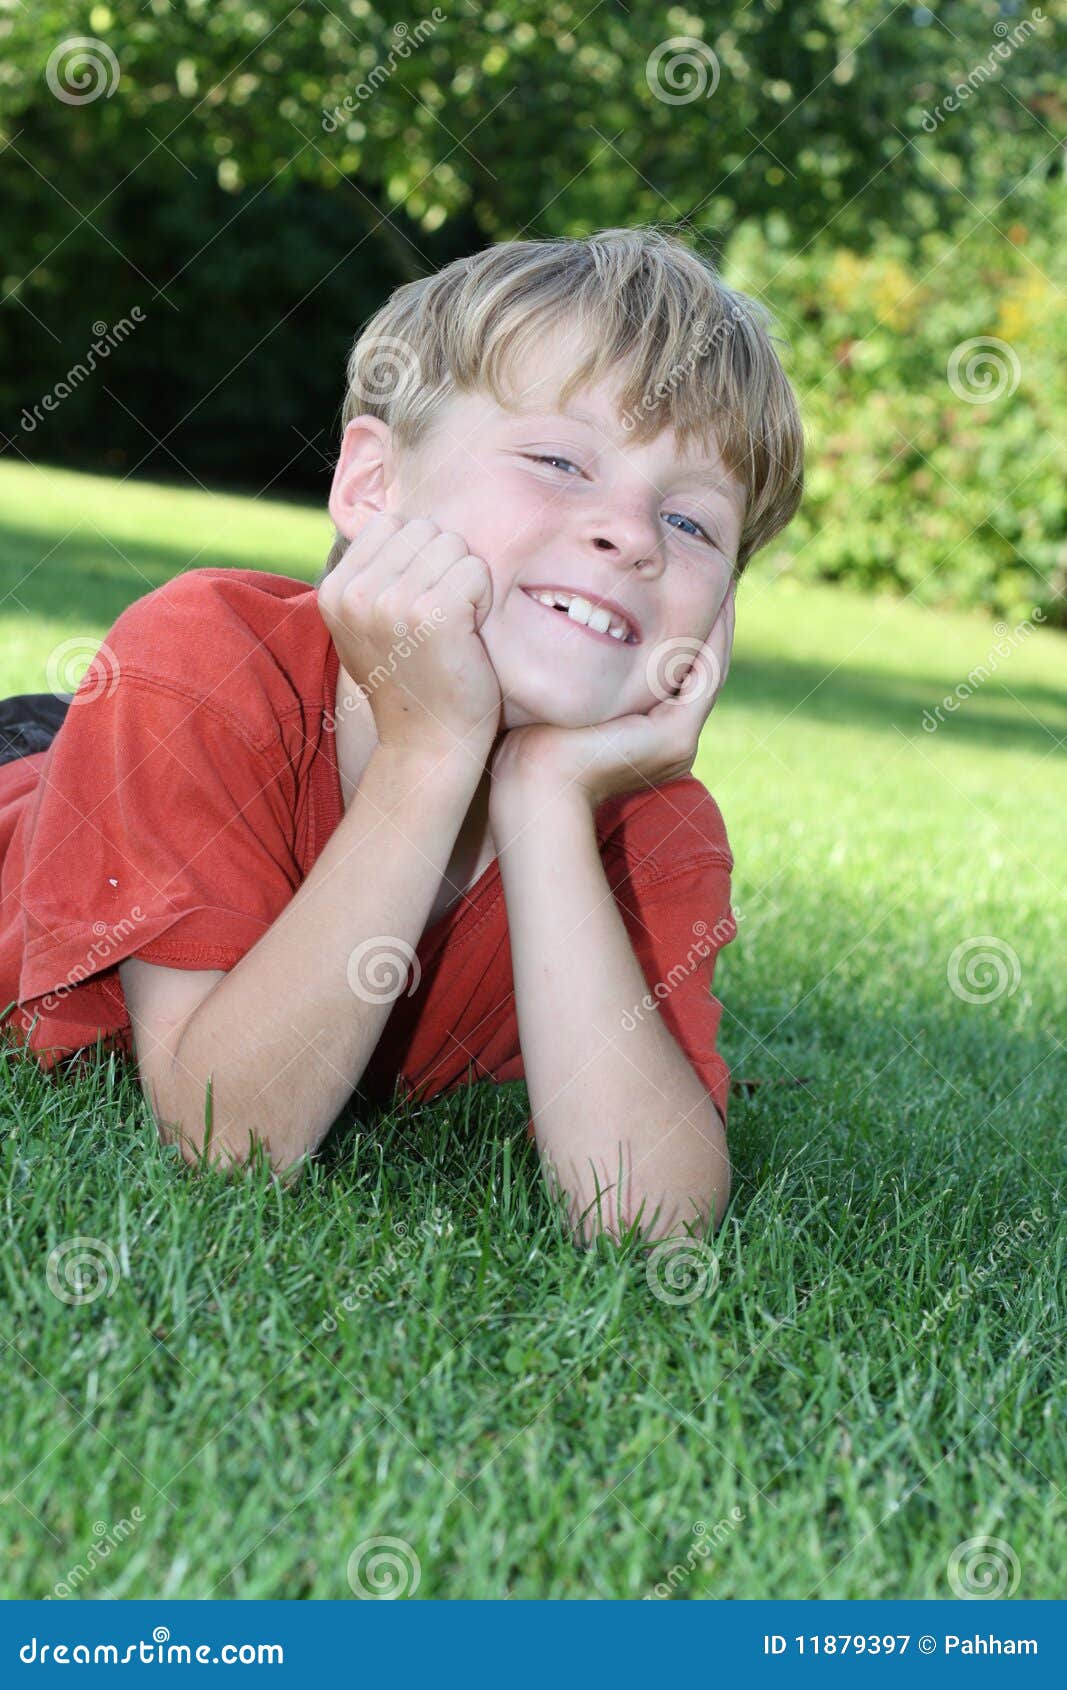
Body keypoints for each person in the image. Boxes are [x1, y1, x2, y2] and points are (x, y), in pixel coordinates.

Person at [0, 226, 803, 1246]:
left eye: (693, 525)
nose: (630, 534)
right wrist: (433, 752)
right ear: (373, 485)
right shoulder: (197, 658)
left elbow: (651, 1221)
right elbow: (228, 1140)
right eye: (561, 461)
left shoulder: (652, 827)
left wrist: (545, 801)